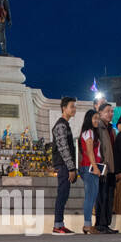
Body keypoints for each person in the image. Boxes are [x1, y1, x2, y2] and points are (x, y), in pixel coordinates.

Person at [50, 96, 79, 234]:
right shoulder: (61, 125)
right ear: (64, 108)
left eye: (74, 106)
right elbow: (63, 148)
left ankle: (60, 224)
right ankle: (57, 226)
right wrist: (71, 168)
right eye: (71, 106)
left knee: (64, 194)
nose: (74, 109)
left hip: (64, 165)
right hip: (63, 166)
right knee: (62, 194)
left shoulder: (65, 124)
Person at [78, 109, 104, 234]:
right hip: (89, 168)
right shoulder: (89, 132)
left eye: (98, 118)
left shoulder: (91, 132)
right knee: (90, 197)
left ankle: (88, 224)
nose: (97, 120)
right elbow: (89, 151)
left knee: (92, 197)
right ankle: (87, 225)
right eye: (95, 118)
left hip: (89, 167)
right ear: (89, 119)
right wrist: (95, 167)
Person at [93, 101, 118, 233]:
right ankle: (100, 224)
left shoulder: (112, 130)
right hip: (102, 168)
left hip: (112, 169)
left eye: (112, 111)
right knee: (102, 196)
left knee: (109, 196)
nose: (110, 114)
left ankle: (106, 224)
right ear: (100, 113)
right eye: (107, 111)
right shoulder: (98, 128)